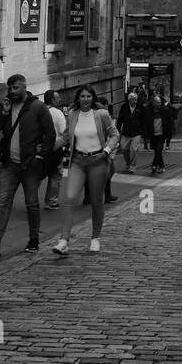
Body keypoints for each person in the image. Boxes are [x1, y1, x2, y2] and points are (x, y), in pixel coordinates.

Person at [0, 75, 56, 258]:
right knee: (3, 202)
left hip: (30, 165)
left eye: (15, 88)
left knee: (31, 203)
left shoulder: (38, 107)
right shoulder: (8, 106)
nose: (12, 91)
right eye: (10, 88)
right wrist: (4, 113)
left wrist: (39, 155)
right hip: (10, 165)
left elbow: (50, 135)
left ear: (23, 87)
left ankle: (34, 239)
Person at [52, 86, 120, 255]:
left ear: (93, 98)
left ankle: (95, 238)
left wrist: (106, 152)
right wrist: (48, 146)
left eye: (88, 96)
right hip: (78, 161)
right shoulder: (73, 115)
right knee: (69, 198)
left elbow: (114, 135)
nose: (85, 99)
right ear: (78, 98)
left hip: (98, 160)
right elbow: (67, 136)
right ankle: (64, 240)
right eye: (82, 96)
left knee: (96, 201)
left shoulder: (101, 114)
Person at [41, 89, 67, 210]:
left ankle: (31, 199)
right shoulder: (58, 113)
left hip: (41, 148)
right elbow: (63, 132)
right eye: (57, 98)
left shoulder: (40, 111)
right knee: (55, 175)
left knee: (38, 176)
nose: (60, 100)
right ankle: (51, 201)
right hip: (55, 148)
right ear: (52, 99)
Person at [116, 88, 144, 173]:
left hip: (136, 133)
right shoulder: (124, 107)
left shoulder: (140, 107)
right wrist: (117, 129)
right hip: (126, 132)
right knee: (124, 149)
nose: (134, 101)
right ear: (129, 100)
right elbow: (120, 119)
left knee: (134, 150)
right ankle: (128, 164)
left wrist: (143, 131)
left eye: (135, 99)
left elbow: (144, 120)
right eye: (132, 99)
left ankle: (132, 166)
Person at [143, 93, 167, 174]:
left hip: (161, 135)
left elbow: (168, 123)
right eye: (157, 103)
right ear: (153, 103)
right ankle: (162, 166)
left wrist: (168, 135)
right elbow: (146, 123)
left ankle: (154, 165)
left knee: (159, 150)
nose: (159, 104)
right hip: (153, 135)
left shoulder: (164, 110)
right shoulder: (149, 111)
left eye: (160, 102)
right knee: (157, 151)